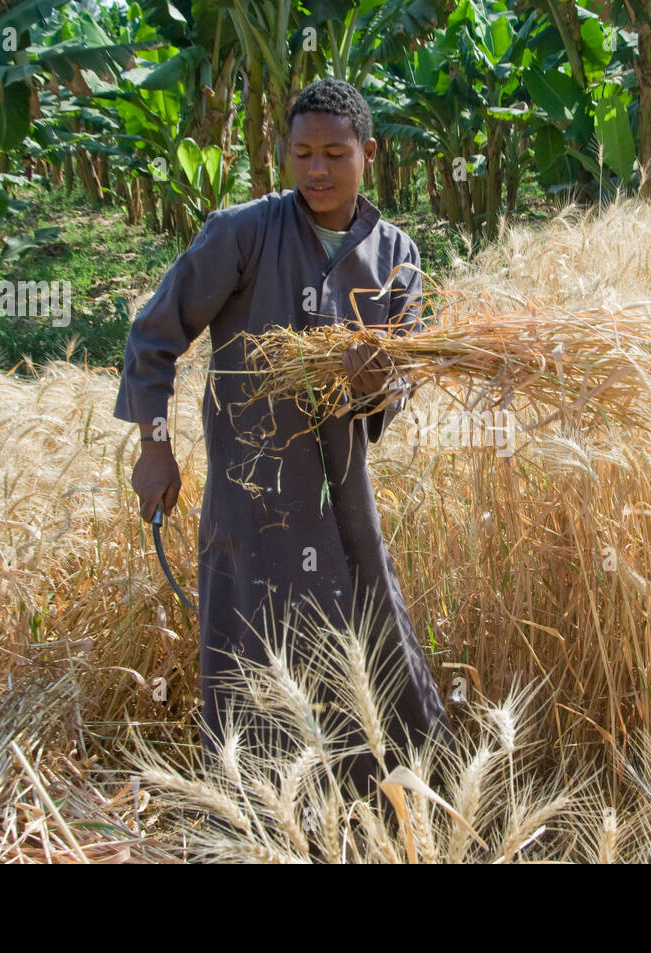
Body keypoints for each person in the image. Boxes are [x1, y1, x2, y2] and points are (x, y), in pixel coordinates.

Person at [114, 78, 452, 796]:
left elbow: (395, 390)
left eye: (335, 152)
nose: (317, 170)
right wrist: (153, 443)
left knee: (369, 639)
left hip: (344, 503)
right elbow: (152, 337)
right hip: (254, 495)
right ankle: (258, 814)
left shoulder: (396, 255)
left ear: (369, 152)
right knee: (252, 654)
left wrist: (370, 382)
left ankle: (382, 808)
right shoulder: (243, 232)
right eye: (302, 153)